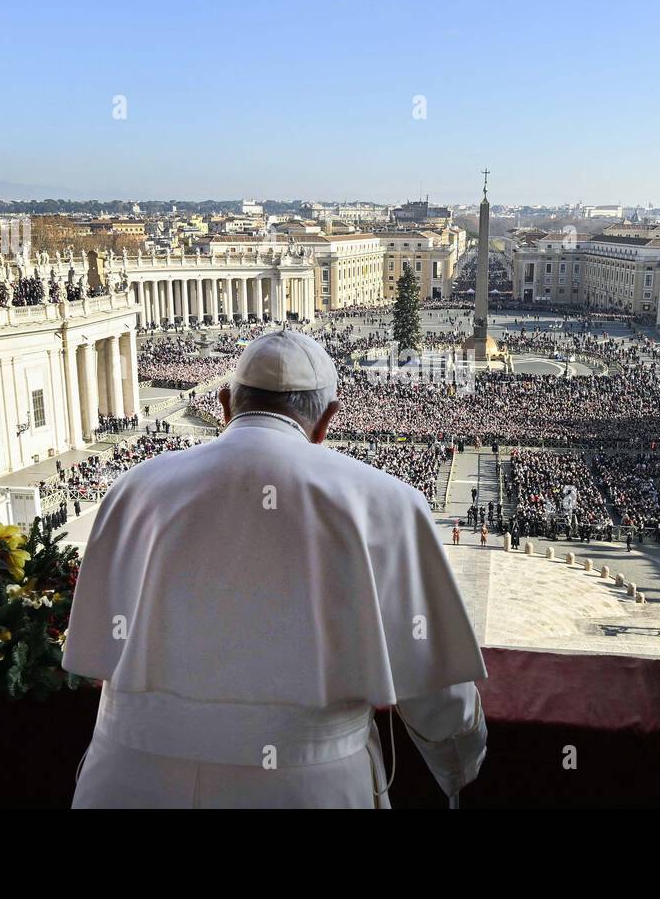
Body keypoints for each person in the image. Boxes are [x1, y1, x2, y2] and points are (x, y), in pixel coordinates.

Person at [65, 329, 487, 808]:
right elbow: (434, 685)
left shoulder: (133, 488)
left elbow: (99, 650)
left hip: (127, 778)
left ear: (225, 403)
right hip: (303, 786)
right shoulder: (386, 501)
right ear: (327, 420)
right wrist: (459, 767)